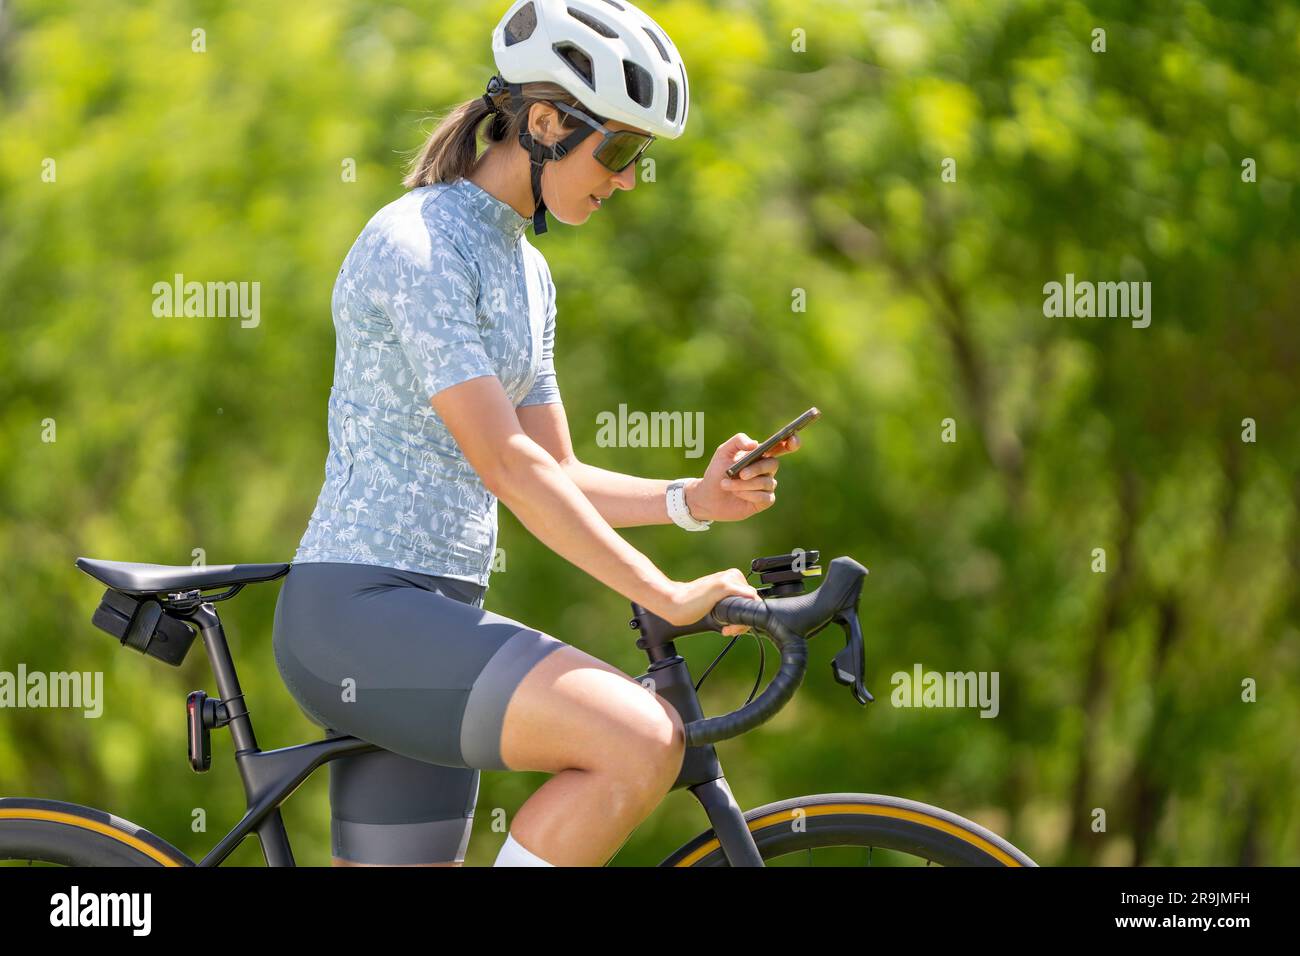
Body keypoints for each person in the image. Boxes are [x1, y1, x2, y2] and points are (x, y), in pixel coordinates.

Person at [271, 0, 801, 868]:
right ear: (547, 123)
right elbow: (508, 466)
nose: (629, 178)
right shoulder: (419, 244)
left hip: (430, 623)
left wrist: (691, 500)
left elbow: (554, 468)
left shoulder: (527, 271)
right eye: (621, 149)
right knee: (638, 740)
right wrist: (664, 592)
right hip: (359, 620)